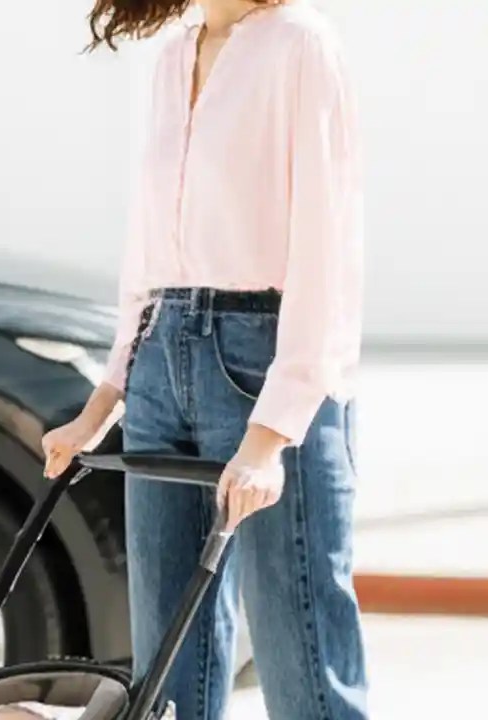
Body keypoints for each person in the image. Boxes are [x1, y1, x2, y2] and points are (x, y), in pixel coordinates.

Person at [41, 0, 369, 718]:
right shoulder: (172, 54)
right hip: (163, 353)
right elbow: (148, 246)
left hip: (267, 358)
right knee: (167, 664)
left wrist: (272, 433)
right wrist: (105, 401)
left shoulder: (301, 46)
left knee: (301, 649)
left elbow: (326, 251)